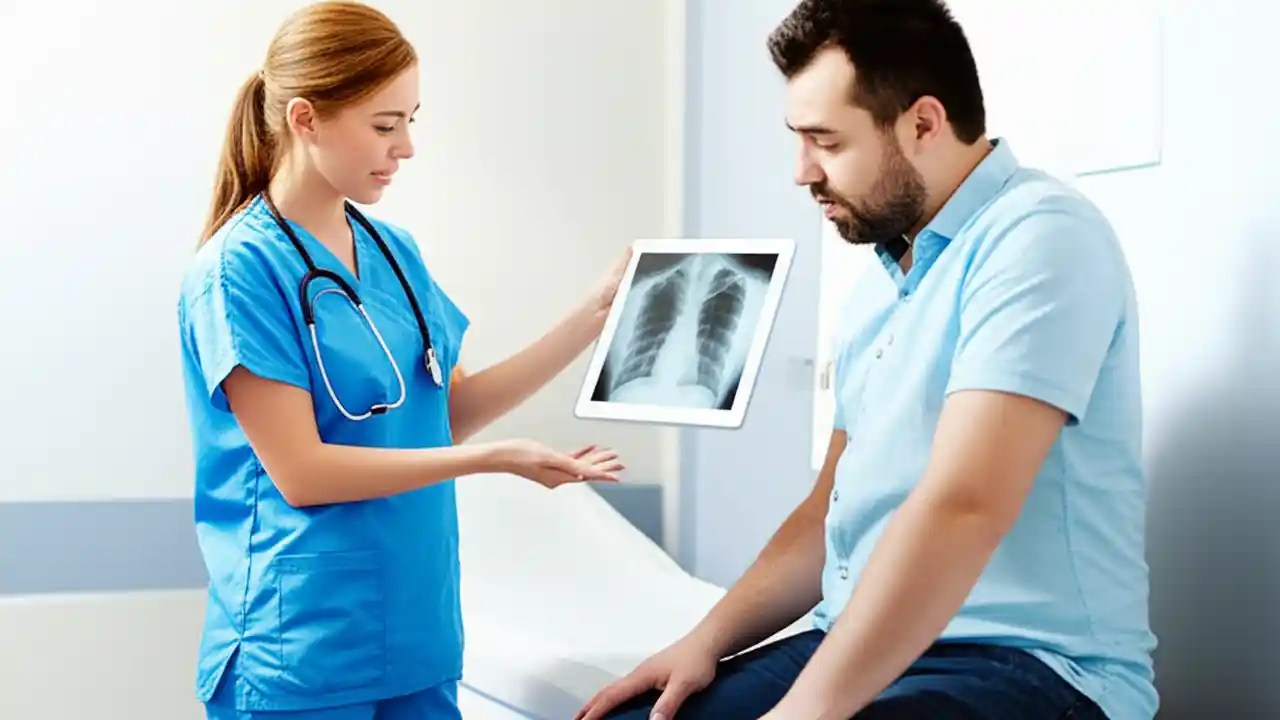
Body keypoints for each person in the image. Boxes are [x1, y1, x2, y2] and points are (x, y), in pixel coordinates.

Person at [576, 1, 1158, 719]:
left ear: (922, 123)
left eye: (824, 141)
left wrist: (806, 712)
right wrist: (706, 640)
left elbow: (965, 505)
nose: (800, 172)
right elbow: (828, 514)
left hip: (1026, 663)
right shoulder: (881, 286)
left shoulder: (1040, 237)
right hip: (853, 637)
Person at [176, 2, 630, 718]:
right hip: (304, 646)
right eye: (385, 125)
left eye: (411, 120)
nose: (407, 146)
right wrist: (493, 461)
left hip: (416, 631)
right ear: (305, 119)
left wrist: (591, 320)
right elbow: (303, 472)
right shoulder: (238, 271)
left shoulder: (394, 252)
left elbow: (446, 414)